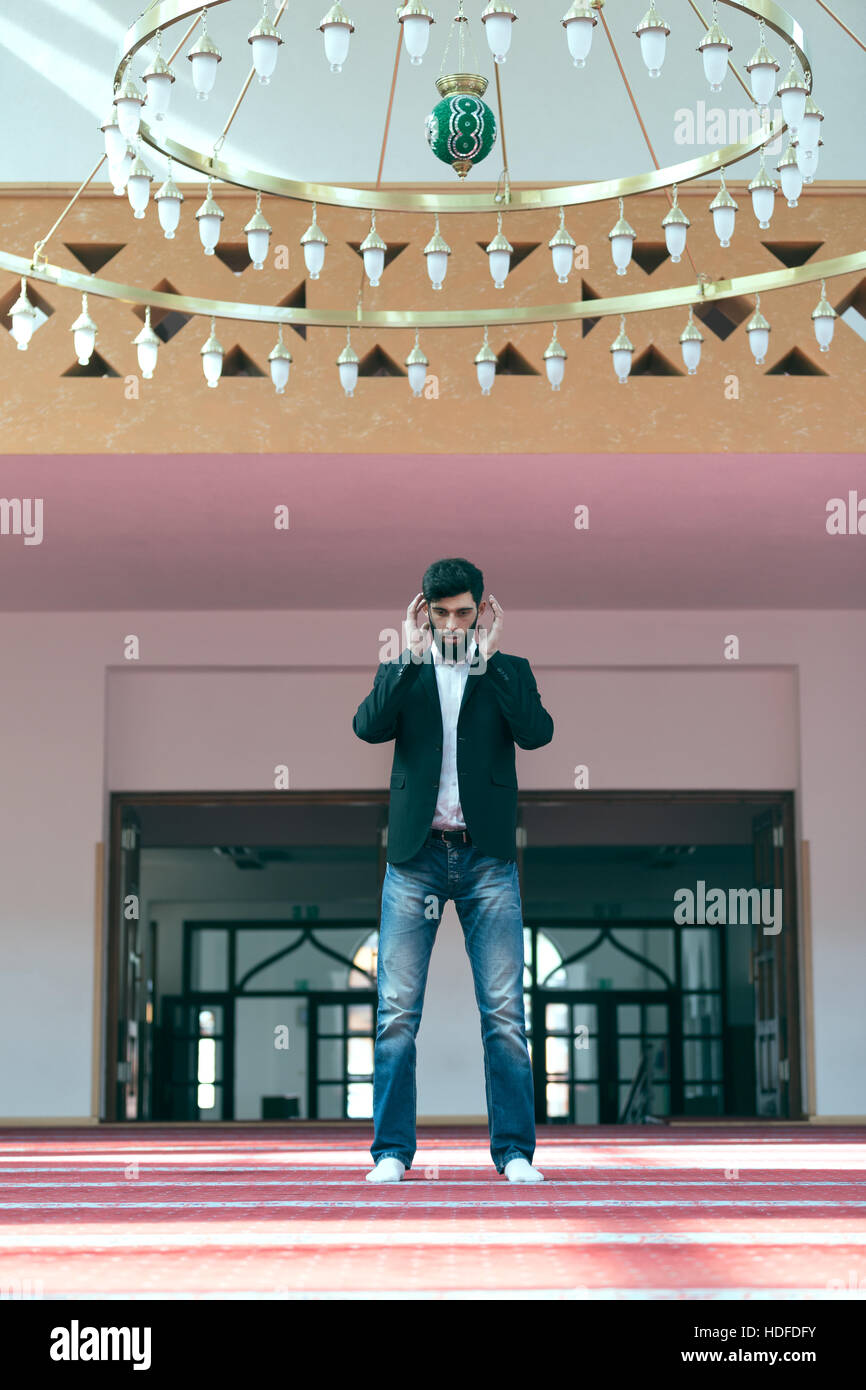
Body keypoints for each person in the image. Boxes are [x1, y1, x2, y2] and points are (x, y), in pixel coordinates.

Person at [352, 557, 554, 1183]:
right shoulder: (408, 670)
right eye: (440, 614)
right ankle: (391, 1153)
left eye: (464, 613)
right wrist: (408, 653)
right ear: (425, 612)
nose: (452, 623)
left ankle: (515, 1152)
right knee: (394, 1012)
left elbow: (537, 733)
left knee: (503, 1012)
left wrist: (490, 659)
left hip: (486, 855)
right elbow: (367, 726)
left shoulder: (508, 671)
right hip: (416, 857)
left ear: (483, 609)